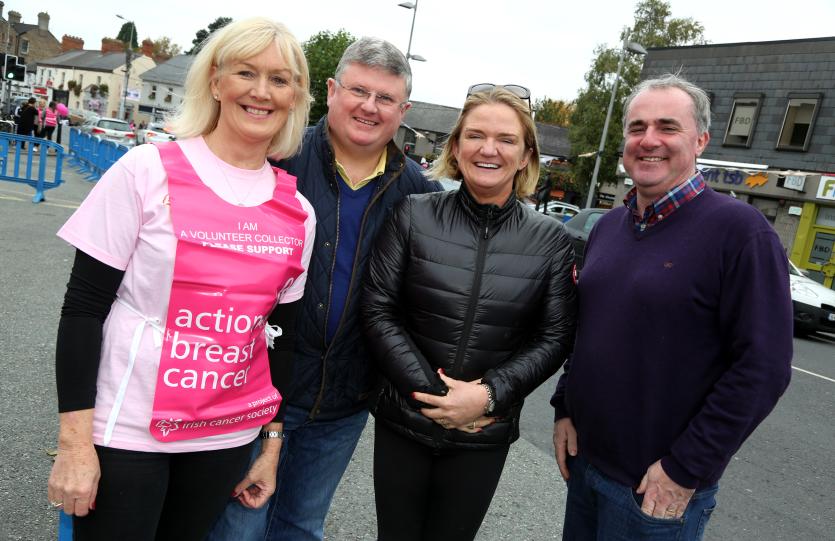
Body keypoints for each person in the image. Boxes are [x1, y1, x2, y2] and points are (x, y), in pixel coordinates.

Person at [46, 17, 315, 540]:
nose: (261, 92)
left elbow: (280, 336)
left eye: (280, 80)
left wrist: (270, 446)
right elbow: (82, 310)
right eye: (246, 73)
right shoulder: (144, 171)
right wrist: (75, 445)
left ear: (295, 97)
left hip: (223, 438)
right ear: (215, 81)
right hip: (129, 431)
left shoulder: (298, 211)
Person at [209, 37, 441, 541]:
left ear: (403, 111)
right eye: (358, 90)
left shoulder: (420, 196)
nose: (369, 107)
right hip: (251, 387)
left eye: (385, 99)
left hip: (343, 400)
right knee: (236, 526)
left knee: (301, 526)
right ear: (331, 91)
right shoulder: (276, 158)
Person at [551, 74, 793, 541]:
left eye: (667, 127)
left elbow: (762, 369)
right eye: (637, 127)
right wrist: (565, 406)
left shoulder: (741, 233)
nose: (649, 141)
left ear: (700, 139)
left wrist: (686, 468)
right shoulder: (610, 227)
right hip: (585, 469)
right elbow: (591, 333)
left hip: (653, 489)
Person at [362, 85, 578, 541]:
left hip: (484, 433)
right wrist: (438, 400)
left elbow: (555, 336)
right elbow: (379, 310)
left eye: (506, 139)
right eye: (476, 135)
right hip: (406, 422)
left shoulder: (551, 240)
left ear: (525, 156)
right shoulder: (412, 215)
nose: (489, 149)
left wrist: (487, 396)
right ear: (456, 147)